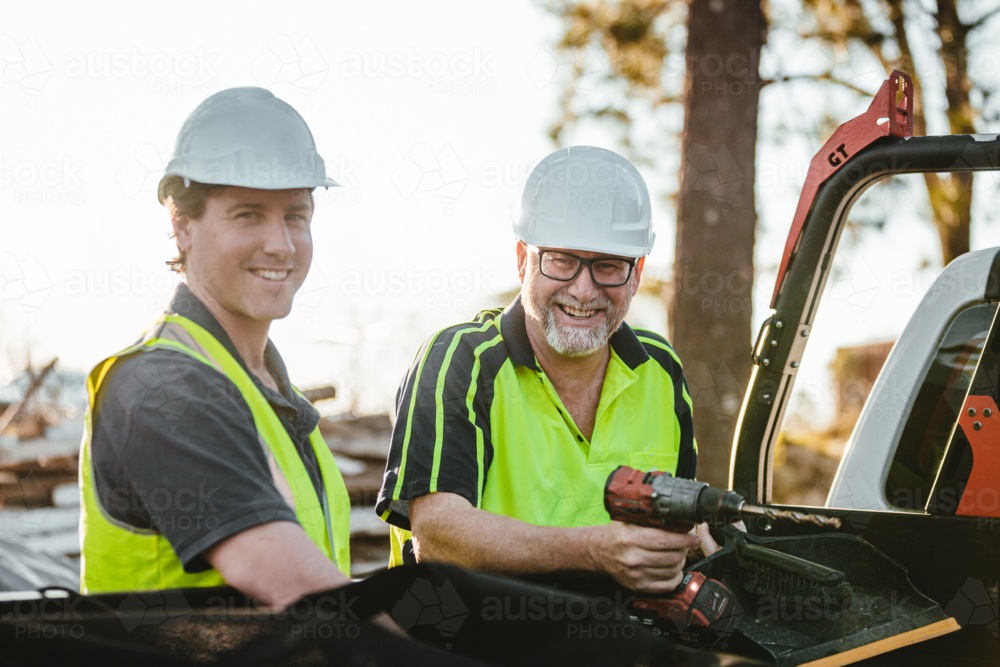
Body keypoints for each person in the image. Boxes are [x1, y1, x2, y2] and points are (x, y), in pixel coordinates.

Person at [377, 146, 715, 594]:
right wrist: (593, 551)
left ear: (636, 274)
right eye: (561, 260)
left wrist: (698, 539)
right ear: (523, 258)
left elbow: (679, 522)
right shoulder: (458, 359)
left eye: (608, 266)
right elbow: (438, 537)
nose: (583, 289)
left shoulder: (661, 369)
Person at [79, 87, 353, 609]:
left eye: (295, 215)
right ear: (182, 225)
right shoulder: (162, 389)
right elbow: (296, 585)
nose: (281, 244)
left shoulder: (269, 394)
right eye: (248, 215)